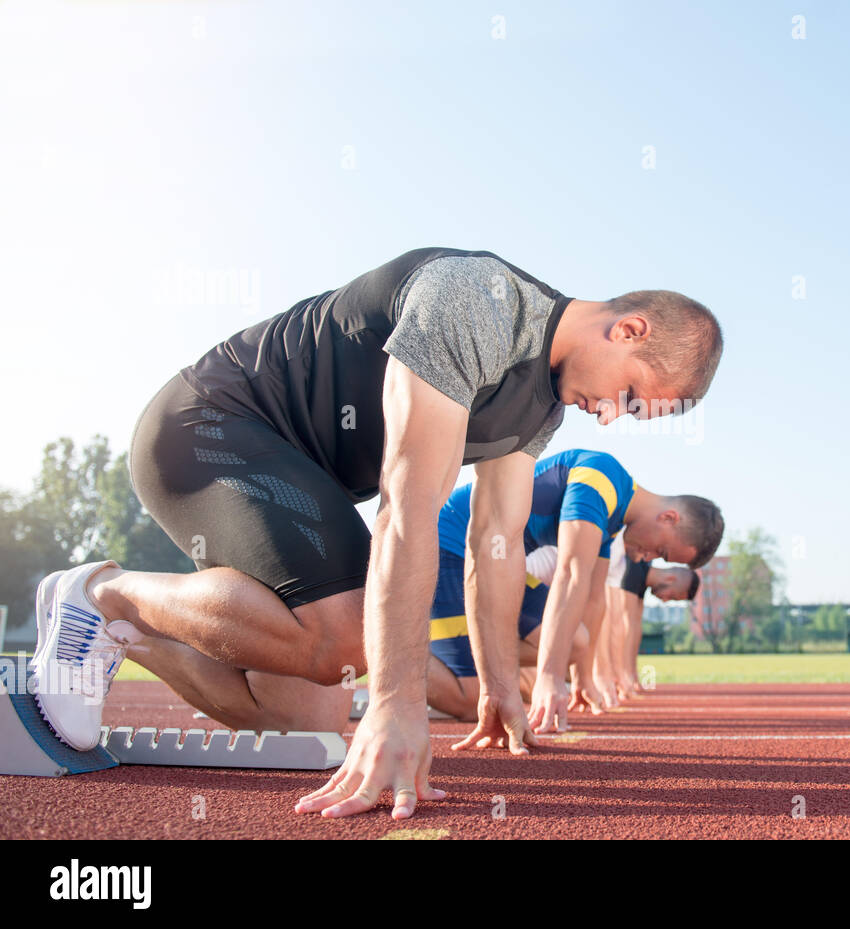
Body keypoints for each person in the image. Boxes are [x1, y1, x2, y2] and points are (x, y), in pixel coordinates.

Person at [30, 247, 722, 820]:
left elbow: (496, 541)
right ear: (627, 330)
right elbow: (409, 503)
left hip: (303, 477)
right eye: (631, 396)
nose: (611, 417)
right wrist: (394, 703)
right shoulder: (478, 301)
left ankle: (134, 632)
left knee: (306, 715)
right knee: (353, 639)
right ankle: (106, 594)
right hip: (211, 425)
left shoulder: (541, 409)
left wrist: (499, 686)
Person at [423, 449, 722, 735]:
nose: (647, 558)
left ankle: (477, 660)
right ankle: (383, 649)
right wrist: (549, 677)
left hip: (499, 558)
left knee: (576, 643)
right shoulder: (599, 479)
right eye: (662, 551)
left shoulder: (613, 517)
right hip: (453, 545)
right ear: (668, 518)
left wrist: (582, 677)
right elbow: (570, 575)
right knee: (472, 701)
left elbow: (594, 599)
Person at [592, 533, 700, 704]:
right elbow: (617, 622)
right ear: (671, 578)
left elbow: (634, 626)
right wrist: (616, 674)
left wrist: (631, 673)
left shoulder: (641, 574)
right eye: (672, 596)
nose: (665, 600)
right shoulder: (632, 565)